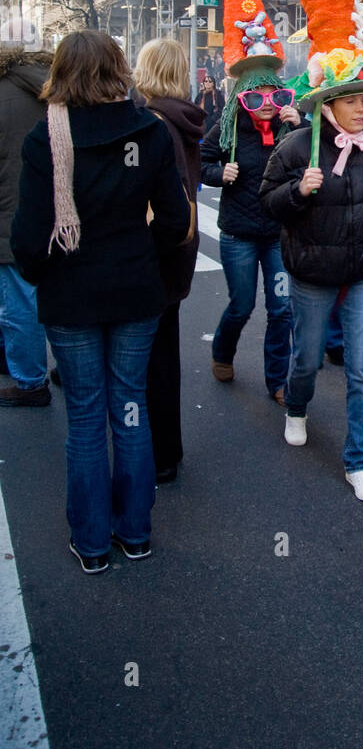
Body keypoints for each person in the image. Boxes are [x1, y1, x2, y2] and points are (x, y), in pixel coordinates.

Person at [10, 31, 190, 572]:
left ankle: (91, 545)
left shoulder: (47, 138)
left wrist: (42, 273)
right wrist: (142, 253)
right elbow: (177, 221)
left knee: (86, 418)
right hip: (136, 292)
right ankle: (135, 534)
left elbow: (28, 236)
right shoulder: (150, 131)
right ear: (118, 69)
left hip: (72, 296)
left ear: (60, 73)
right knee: (130, 408)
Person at [260, 86, 363, 500]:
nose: (361, 109)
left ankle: (358, 460)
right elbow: (269, 201)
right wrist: (298, 191)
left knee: (362, 368)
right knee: (307, 359)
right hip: (312, 269)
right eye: (351, 101)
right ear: (329, 106)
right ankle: (296, 406)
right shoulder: (297, 146)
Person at [201, 76, 299, 404]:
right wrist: (219, 174)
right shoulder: (228, 127)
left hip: (278, 234)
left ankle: (277, 382)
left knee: (282, 309)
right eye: (259, 97)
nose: (268, 102)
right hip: (238, 234)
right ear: (244, 99)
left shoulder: (292, 126)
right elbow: (201, 160)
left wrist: (303, 125)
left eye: (276, 96)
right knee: (242, 305)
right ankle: (223, 351)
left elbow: (317, 156)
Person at [133, 39, 205, 483]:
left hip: (158, 251)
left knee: (146, 356)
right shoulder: (185, 115)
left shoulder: (154, 120)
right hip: (181, 250)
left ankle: (157, 454)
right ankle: (168, 449)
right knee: (164, 353)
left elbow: (164, 200)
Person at [0, 19, 53, 408]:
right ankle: (70, 367)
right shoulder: (61, 88)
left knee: (20, 301)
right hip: (64, 211)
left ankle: (31, 381)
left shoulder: (2, 92)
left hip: (12, 213)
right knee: (64, 294)